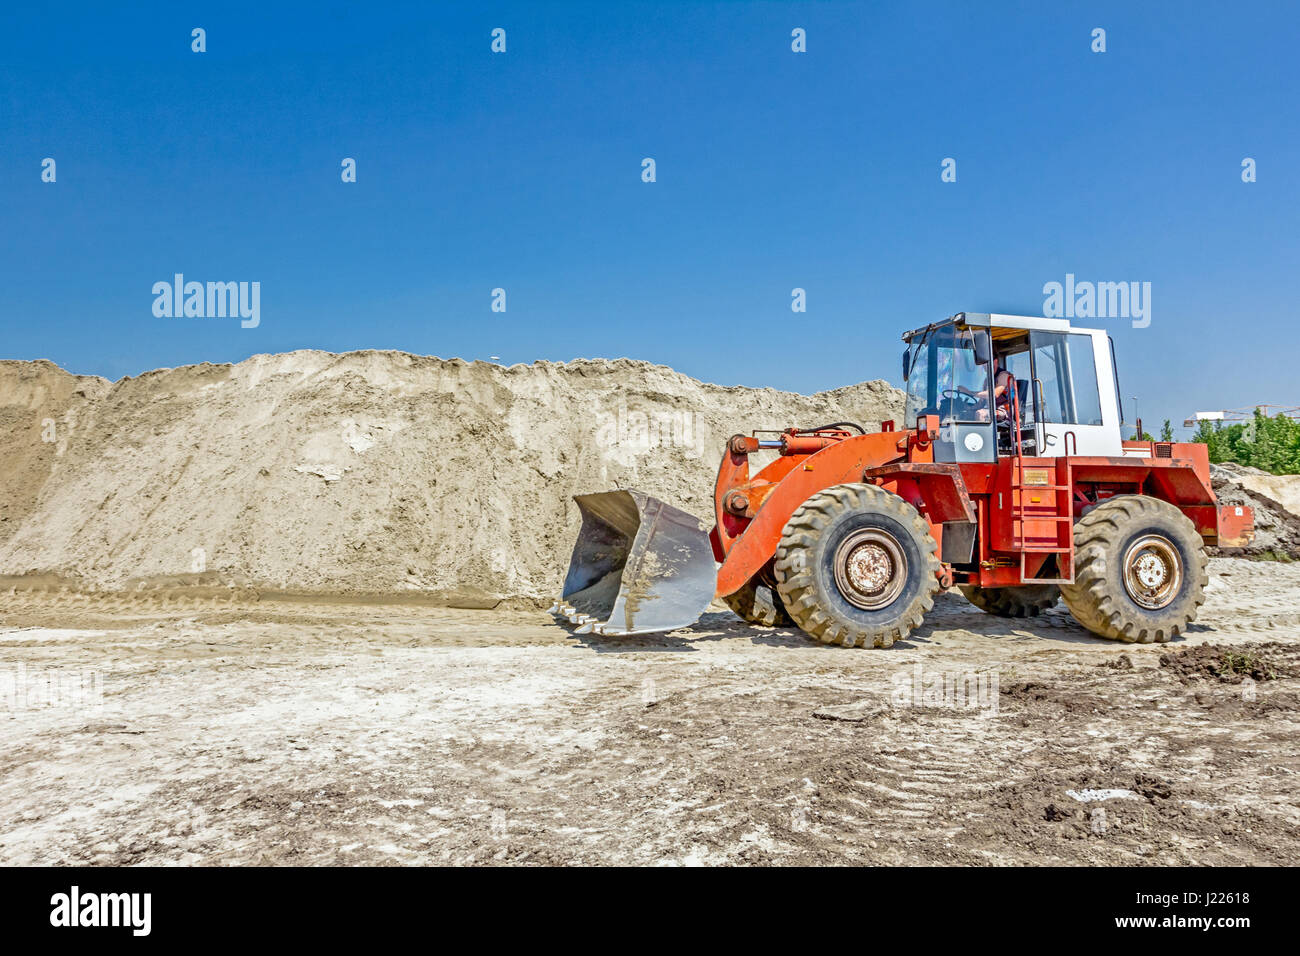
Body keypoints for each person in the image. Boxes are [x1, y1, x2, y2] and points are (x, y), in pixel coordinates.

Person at [957, 355, 1015, 422]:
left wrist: (969, 392)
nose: (983, 366)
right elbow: (982, 402)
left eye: (985, 363)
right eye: (983, 364)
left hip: (1005, 410)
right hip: (991, 410)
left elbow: (995, 394)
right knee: (963, 415)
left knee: (980, 414)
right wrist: (969, 408)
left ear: (995, 362)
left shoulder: (1004, 376)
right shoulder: (987, 380)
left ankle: (980, 432)